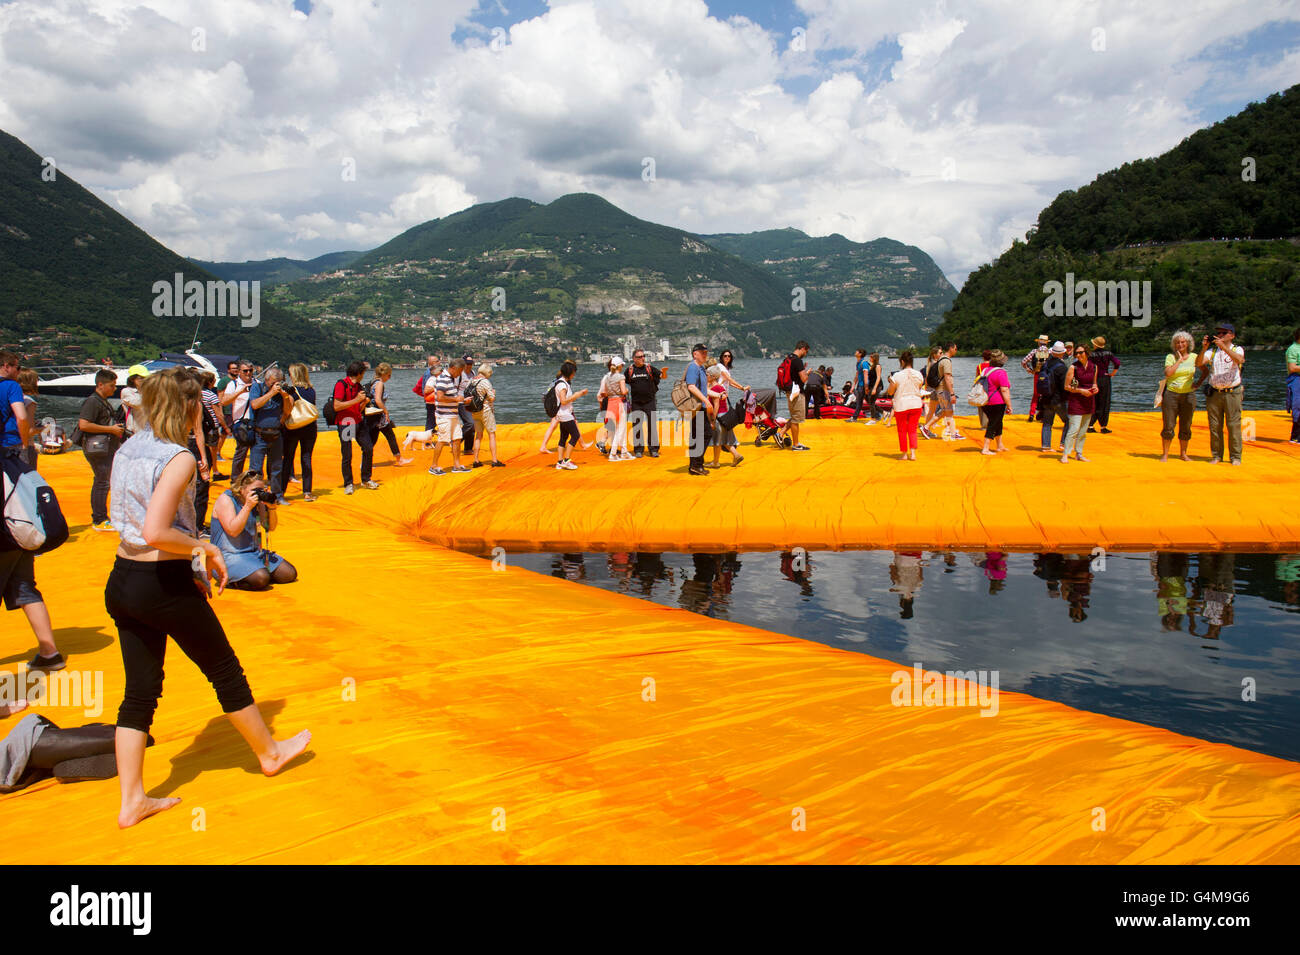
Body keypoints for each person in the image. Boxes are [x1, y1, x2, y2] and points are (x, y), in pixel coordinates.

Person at [104, 366, 310, 828]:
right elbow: (158, 530)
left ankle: (132, 800)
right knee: (224, 670)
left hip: (122, 580)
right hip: (161, 583)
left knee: (139, 693)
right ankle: (269, 752)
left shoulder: (129, 447)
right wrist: (206, 546)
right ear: (188, 406)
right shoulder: (177, 457)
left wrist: (191, 552)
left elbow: (124, 517)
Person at [0, 351, 64, 673]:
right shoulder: (16, 462)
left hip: (4, 534)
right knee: (25, 587)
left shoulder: (9, 387)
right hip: (23, 531)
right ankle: (50, 653)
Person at [209, 471, 298, 590]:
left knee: (289, 574)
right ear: (241, 489)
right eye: (256, 490)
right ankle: (237, 579)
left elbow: (270, 527)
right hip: (228, 556)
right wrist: (247, 507)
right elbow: (233, 531)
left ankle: (252, 572)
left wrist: (271, 509)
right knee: (261, 578)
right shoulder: (226, 500)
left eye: (262, 490)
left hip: (253, 553)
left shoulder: (256, 502)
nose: (259, 493)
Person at [76, 368, 124, 532]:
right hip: (97, 449)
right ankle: (99, 518)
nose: (114, 389)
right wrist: (110, 429)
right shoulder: (93, 402)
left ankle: (101, 516)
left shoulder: (101, 401)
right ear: (100, 384)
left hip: (104, 447)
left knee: (103, 481)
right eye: (112, 385)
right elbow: (84, 424)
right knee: (102, 482)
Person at [1197, 322, 1246, 465]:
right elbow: (1198, 363)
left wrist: (1224, 347)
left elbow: (1240, 360)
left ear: (1232, 335)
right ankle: (1217, 455)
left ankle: (1235, 456)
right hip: (1215, 393)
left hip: (1232, 392)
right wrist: (1204, 348)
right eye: (1218, 333)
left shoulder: (1237, 349)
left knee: (1233, 425)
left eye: (1223, 333)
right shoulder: (1211, 352)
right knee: (1214, 426)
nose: (1220, 335)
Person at [333, 360, 379, 493]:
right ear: (358, 373)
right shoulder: (341, 385)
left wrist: (364, 402)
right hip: (346, 422)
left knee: (368, 448)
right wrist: (357, 400)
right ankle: (348, 483)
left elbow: (358, 408)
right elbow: (337, 406)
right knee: (347, 453)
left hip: (358, 420)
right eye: (363, 373)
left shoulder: (359, 386)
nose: (364, 376)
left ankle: (366, 479)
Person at [247, 367, 291, 505]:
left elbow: (288, 411)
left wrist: (284, 396)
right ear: (267, 380)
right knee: (256, 469)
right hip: (259, 434)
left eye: (278, 382)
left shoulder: (281, 392)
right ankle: (255, 495)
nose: (276, 385)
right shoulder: (258, 388)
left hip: (276, 433)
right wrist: (271, 393)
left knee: (277, 467)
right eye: (273, 382)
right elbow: (254, 405)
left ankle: (277, 495)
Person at [281, 363, 319, 501]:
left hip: (294, 428)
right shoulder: (311, 390)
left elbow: (288, 410)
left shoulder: (292, 391)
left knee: (288, 459)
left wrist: (282, 421)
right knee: (306, 458)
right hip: (310, 427)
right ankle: (307, 491)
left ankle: (281, 491)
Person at [428, 357, 470, 475]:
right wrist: (456, 399)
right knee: (442, 439)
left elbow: (450, 397)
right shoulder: (443, 379)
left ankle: (456, 465)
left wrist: (462, 401)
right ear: (453, 368)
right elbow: (440, 397)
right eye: (459, 371)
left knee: (457, 438)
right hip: (444, 416)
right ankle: (433, 465)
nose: (460, 374)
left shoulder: (450, 379)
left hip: (452, 415)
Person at [1160, 330, 1197, 462]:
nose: (1180, 345)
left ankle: (1183, 453)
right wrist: (1179, 361)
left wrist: (1198, 382)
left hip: (1188, 394)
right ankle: (1165, 454)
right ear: (1174, 345)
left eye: (1182, 342)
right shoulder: (1170, 357)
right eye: (1177, 343)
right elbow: (1168, 373)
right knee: (1168, 424)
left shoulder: (1194, 357)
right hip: (1171, 394)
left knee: (1186, 425)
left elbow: (1205, 369)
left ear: (1188, 343)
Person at [1060, 343, 1099, 463]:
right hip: (1076, 400)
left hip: (1089, 400)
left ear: (1087, 353)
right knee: (1074, 429)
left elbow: (1094, 383)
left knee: (1083, 430)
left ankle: (1079, 453)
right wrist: (1080, 391)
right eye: (1076, 353)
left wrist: (1095, 388)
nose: (1078, 355)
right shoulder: (1073, 367)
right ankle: (1065, 454)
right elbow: (1066, 386)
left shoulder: (1094, 367)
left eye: (1080, 352)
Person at [366, 363, 411, 466]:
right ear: (384, 374)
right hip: (379, 415)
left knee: (373, 439)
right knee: (390, 436)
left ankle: (365, 462)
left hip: (372, 415)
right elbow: (378, 400)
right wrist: (386, 411)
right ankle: (399, 459)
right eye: (389, 375)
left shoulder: (372, 382)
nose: (389, 378)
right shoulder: (379, 383)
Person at [885, 351, 925, 461]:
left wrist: (891, 385)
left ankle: (904, 454)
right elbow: (920, 386)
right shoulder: (919, 374)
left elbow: (891, 391)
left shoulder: (897, 375)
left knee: (902, 430)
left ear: (902, 362)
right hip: (916, 404)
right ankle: (913, 454)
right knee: (912, 429)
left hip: (902, 404)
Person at [625, 348, 662, 457]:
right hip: (636, 402)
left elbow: (661, 376)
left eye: (643, 356)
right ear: (634, 359)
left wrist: (664, 373)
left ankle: (654, 449)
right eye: (639, 357)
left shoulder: (649, 368)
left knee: (652, 426)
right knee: (637, 426)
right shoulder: (630, 370)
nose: (642, 358)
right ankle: (638, 450)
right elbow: (623, 382)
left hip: (650, 401)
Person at [222, 362, 256, 477]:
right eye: (245, 371)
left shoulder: (257, 383)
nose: (248, 373)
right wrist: (240, 391)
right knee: (241, 453)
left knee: (256, 454)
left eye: (250, 370)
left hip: (256, 422)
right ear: (240, 372)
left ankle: (254, 479)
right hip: (241, 423)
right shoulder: (234, 384)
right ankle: (235, 479)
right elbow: (224, 401)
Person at [553, 361, 588, 471]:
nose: (574, 375)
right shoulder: (563, 385)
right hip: (566, 415)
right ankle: (567, 460)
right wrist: (577, 395)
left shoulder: (559, 382)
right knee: (575, 435)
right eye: (573, 373)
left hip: (561, 414)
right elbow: (563, 401)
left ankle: (559, 462)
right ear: (569, 373)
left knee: (563, 438)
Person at [685, 344, 714, 475]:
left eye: (706, 353)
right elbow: (691, 386)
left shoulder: (701, 368)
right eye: (702, 353)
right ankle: (696, 464)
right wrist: (706, 400)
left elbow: (702, 388)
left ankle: (695, 465)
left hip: (700, 406)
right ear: (695, 354)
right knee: (703, 435)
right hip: (695, 407)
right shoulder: (693, 367)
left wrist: (716, 395)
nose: (705, 355)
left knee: (699, 435)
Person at [707, 365, 743, 468]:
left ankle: (715, 462)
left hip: (719, 416)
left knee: (717, 440)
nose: (706, 376)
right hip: (725, 415)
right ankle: (736, 455)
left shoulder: (714, 388)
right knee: (724, 439)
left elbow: (716, 404)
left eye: (707, 375)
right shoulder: (720, 387)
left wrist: (713, 420)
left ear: (713, 376)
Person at [469, 364, 505, 467]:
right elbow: (491, 398)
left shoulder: (471, 381)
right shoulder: (485, 382)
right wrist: (494, 392)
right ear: (487, 373)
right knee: (491, 434)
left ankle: (476, 460)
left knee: (478, 435)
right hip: (486, 410)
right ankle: (494, 460)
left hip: (475, 411)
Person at [599, 356, 633, 460]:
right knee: (620, 429)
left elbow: (603, 392)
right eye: (622, 365)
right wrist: (626, 390)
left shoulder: (607, 377)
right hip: (619, 403)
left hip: (610, 403)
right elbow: (623, 391)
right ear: (619, 366)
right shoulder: (620, 377)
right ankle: (613, 453)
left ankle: (624, 452)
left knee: (616, 428)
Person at [1038, 342, 1070, 453]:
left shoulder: (1045, 365)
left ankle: (1046, 446)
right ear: (1062, 353)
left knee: (1047, 423)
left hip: (1046, 398)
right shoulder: (1062, 368)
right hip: (1058, 399)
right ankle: (1063, 444)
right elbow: (1063, 386)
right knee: (1068, 421)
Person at [780, 341, 811, 451]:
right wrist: (808, 373)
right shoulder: (797, 361)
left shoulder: (788, 358)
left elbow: (793, 374)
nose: (805, 354)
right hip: (797, 392)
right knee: (796, 419)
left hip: (789, 391)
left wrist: (803, 368)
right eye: (806, 351)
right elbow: (804, 379)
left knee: (794, 416)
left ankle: (781, 434)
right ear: (802, 348)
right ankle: (796, 444)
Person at [980, 349, 1013, 455]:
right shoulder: (1001, 372)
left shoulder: (985, 370)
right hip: (997, 402)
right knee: (993, 423)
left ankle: (999, 445)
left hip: (985, 401)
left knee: (997, 422)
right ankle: (986, 448)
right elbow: (1004, 390)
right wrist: (1009, 405)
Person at [199, 370, 229, 481]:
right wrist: (225, 426)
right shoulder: (211, 395)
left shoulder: (198, 394)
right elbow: (218, 415)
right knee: (212, 452)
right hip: (212, 427)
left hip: (202, 426)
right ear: (212, 382)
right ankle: (214, 471)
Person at [1087, 337, 1121, 433]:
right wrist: (1112, 374)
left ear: (1095, 345)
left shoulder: (1091, 355)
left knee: (1093, 402)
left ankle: (1090, 425)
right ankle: (1103, 426)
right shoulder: (1108, 354)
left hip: (1094, 379)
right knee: (1105, 402)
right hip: (1105, 378)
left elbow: (1088, 366)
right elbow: (1117, 363)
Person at [214, 359, 239, 462]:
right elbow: (219, 398)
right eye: (233, 368)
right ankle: (217, 453)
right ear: (228, 370)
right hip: (227, 411)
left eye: (236, 368)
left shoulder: (239, 381)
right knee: (224, 433)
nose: (235, 370)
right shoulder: (224, 381)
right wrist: (220, 413)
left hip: (237, 410)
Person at [120, 366, 151, 437]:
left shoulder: (146, 392)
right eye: (141, 378)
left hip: (149, 432)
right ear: (132, 379)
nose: (144, 380)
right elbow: (138, 404)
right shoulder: (127, 391)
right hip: (134, 432)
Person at [920, 346, 944, 439]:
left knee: (931, 410)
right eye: (940, 353)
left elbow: (926, 378)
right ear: (935, 354)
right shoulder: (935, 364)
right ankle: (927, 427)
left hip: (930, 388)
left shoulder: (930, 363)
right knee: (946, 409)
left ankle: (927, 429)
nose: (941, 354)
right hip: (935, 388)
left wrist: (927, 388)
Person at [457, 356, 477, 457]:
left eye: (470, 363)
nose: (469, 365)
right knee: (470, 423)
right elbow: (454, 388)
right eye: (467, 363)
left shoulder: (473, 373)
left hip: (471, 402)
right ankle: (457, 440)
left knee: (473, 426)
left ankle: (468, 448)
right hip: (461, 403)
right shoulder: (459, 374)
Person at [1285, 326, 1300, 444]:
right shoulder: (1293, 349)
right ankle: (1295, 436)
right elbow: (1292, 367)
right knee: (1298, 407)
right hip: (1296, 379)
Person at [848, 349, 869, 421]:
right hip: (860, 385)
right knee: (866, 401)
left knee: (859, 401)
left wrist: (866, 386)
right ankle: (881, 413)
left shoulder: (864, 363)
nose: (855, 352)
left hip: (863, 385)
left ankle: (854, 417)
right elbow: (857, 375)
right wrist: (853, 386)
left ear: (860, 354)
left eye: (856, 351)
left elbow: (866, 375)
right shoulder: (858, 363)